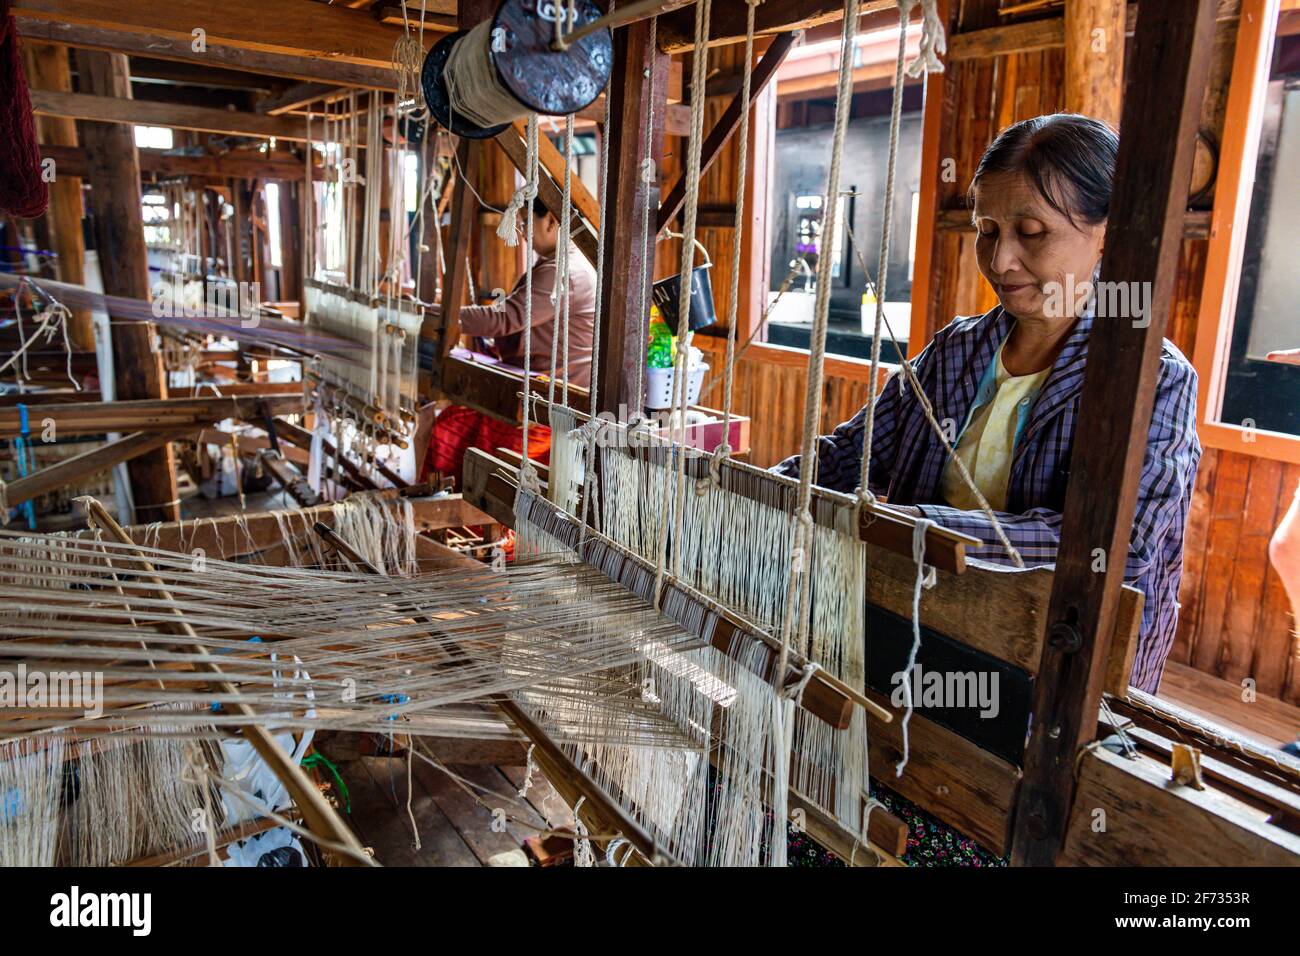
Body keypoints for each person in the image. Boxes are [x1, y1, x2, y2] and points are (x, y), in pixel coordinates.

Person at [774, 113, 1202, 695]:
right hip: (923, 636)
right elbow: (854, 453)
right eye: (987, 230)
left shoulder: (1148, 379)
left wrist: (920, 528)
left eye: (1031, 232)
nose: (1001, 260)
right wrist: (758, 489)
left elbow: (1118, 549)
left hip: (1057, 679)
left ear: (1110, 232)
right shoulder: (958, 349)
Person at [419, 197, 596, 486]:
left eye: (526, 223)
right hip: (540, 392)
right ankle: (450, 508)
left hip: (552, 410)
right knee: (447, 422)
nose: (523, 231)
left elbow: (504, 318)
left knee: (450, 430)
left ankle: (472, 517)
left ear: (551, 220)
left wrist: (437, 315)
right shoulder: (560, 264)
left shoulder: (563, 271)